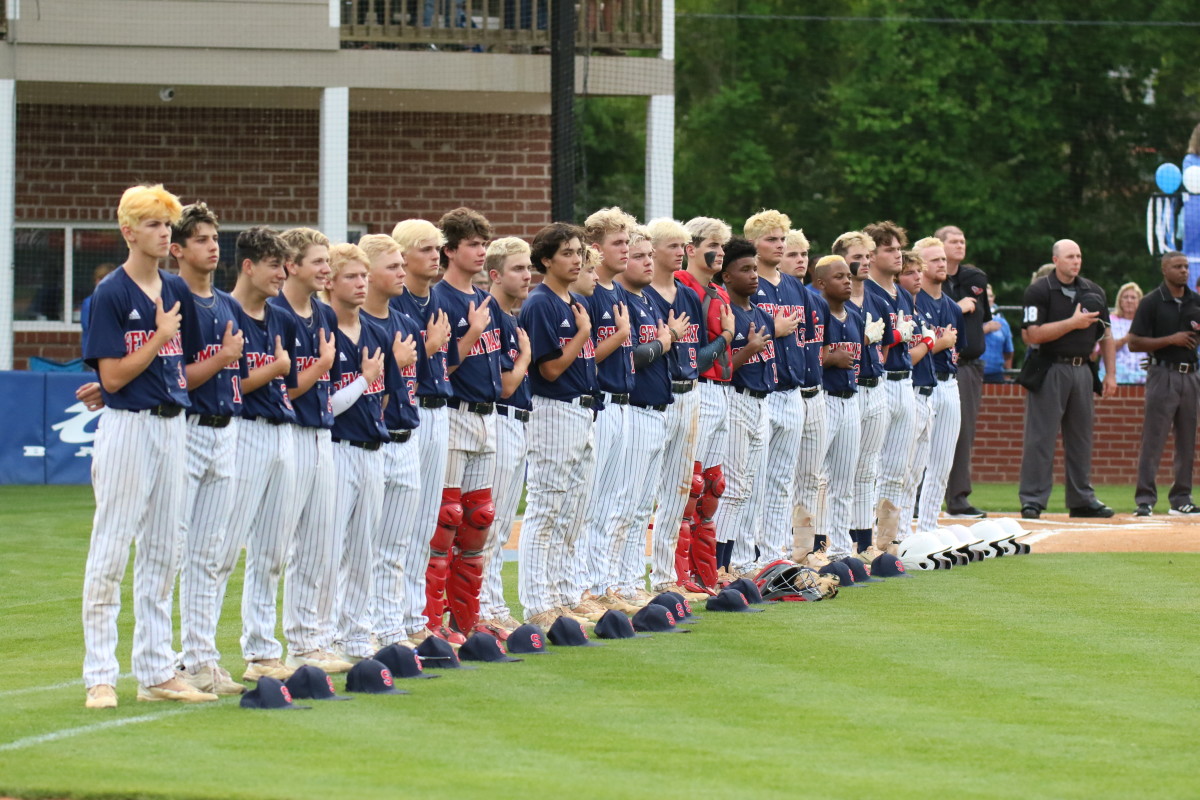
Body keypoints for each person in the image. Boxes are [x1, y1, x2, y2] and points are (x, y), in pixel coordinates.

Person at [81, 184, 210, 709]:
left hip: (173, 426)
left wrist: (147, 360)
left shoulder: (175, 289)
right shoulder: (111, 292)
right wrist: (155, 339)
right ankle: (99, 675)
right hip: (130, 427)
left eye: (167, 224)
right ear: (128, 231)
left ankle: (156, 671)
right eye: (153, 224)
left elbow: (180, 366)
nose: (163, 233)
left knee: (163, 551)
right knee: (112, 548)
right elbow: (113, 377)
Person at [170, 203, 249, 697]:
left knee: (210, 553)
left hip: (226, 430)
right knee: (172, 549)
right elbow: (172, 375)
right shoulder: (172, 297)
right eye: (200, 239)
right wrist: (221, 357)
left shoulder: (225, 303)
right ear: (177, 249)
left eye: (215, 237)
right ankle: (165, 663)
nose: (213, 246)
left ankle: (201, 660)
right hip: (188, 427)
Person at [217, 227, 301, 682]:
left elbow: (290, 382)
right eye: (273, 265)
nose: (282, 274)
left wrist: (279, 372)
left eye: (284, 265)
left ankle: (263, 650)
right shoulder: (222, 311)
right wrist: (274, 369)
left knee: (272, 552)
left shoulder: (281, 318)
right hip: (242, 430)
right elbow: (225, 382)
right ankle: (198, 654)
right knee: (222, 550)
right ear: (248, 266)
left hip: (282, 432)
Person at [271, 227, 346, 673]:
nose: (325, 269)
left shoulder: (324, 314)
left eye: (326, 261)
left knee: (320, 545)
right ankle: (268, 647)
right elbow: (281, 388)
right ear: (291, 265)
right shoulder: (276, 313)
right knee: (279, 548)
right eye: (317, 261)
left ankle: (310, 642)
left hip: (322, 433)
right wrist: (320, 366)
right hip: (289, 433)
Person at [517, 223, 598, 629]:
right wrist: (583, 333)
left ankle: (564, 594)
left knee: (573, 510)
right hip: (553, 408)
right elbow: (548, 369)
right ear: (546, 260)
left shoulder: (574, 300)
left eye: (579, 251)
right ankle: (538, 602)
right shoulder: (540, 303)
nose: (576, 259)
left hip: (582, 409)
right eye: (566, 252)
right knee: (548, 507)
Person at [429, 207, 504, 640]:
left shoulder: (483, 298)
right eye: (472, 245)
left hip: (486, 415)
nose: (480, 252)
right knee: (446, 521)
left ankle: (467, 621)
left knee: (479, 520)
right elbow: (440, 367)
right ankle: (432, 623)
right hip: (454, 413)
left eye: (483, 244)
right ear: (450, 251)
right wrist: (472, 332)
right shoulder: (439, 298)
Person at [390, 218, 455, 645]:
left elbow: (452, 361)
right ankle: (392, 617)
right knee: (401, 521)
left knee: (428, 520)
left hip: (439, 409)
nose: (435, 256)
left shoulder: (437, 300)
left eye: (437, 248)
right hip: (408, 410)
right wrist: (428, 347)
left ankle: (416, 616)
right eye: (426, 249)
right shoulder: (395, 302)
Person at [1018, 239, 1116, 519]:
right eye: (1070, 256)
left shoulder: (1094, 291)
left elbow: (1106, 334)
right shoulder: (1039, 290)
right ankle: (1033, 499)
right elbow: (1031, 335)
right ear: (1056, 260)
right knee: (1041, 437)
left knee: (1081, 437)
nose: (1076, 261)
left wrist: (1111, 373)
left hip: (1083, 368)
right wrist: (1073, 323)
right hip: (1050, 366)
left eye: (1079, 256)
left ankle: (1082, 498)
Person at [359, 234, 425, 647]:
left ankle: (391, 629)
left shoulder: (405, 324)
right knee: (363, 546)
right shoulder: (354, 325)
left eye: (402, 264)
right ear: (367, 274)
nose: (402, 272)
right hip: (372, 441)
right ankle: (360, 631)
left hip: (407, 438)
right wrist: (393, 366)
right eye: (393, 266)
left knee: (397, 546)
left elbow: (413, 387)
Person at [575, 208, 636, 616]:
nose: (625, 249)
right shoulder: (591, 292)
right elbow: (586, 358)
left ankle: (603, 583)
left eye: (627, 241)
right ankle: (585, 587)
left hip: (623, 402)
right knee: (593, 504)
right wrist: (620, 335)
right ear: (596, 248)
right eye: (618, 242)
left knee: (614, 502)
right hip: (601, 403)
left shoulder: (617, 291)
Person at [642, 218, 704, 592]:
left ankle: (667, 576)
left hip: (689, 392)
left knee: (680, 490)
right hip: (657, 397)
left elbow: (698, 349)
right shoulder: (643, 294)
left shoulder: (689, 295)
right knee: (645, 490)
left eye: (683, 246)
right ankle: (632, 578)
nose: (680, 252)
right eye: (673, 246)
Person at [675, 216, 735, 593]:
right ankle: (679, 575)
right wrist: (727, 336)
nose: (720, 252)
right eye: (713, 245)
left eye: (722, 245)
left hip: (722, 390)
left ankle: (705, 574)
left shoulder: (718, 291)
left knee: (713, 486)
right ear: (691, 249)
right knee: (691, 486)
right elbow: (694, 357)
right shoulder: (684, 288)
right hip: (697, 387)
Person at [746, 210, 807, 568]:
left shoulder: (793, 285)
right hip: (763, 389)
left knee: (783, 479)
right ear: (753, 243)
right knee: (754, 478)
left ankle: (774, 554)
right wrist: (773, 327)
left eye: (782, 238)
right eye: (771, 238)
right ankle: (748, 556)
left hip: (792, 389)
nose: (779, 244)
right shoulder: (749, 281)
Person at [711, 237, 775, 576]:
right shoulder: (726, 312)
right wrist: (748, 349)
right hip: (735, 399)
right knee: (733, 487)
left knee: (749, 489)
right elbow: (720, 368)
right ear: (727, 276)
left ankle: (735, 561)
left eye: (755, 268)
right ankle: (719, 565)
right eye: (745, 269)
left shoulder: (760, 313)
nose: (753, 275)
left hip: (761, 402)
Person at [480, 237, 533, 634]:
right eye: (518, 268)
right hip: (498, 419)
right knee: (490, 524)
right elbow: (505, 384)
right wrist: (526, 358)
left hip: (517, 422)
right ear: (495, 274)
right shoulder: (490, 315)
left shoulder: (510, 317)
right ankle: (484, 607)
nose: (527, 275)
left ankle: (493, 604)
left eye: (528, 267)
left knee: (498, 527)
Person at [1128, 251, 1200, 516]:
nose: (1184, 271)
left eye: (1186, 267)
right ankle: (1145, 499)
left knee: (1187, 439)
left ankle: (1181, 498)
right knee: (1154, 438)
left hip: (1191, 375)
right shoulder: (1151, 302)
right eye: (1177, 267)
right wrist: (1171, 339)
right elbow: (1134, 342)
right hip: (1163, 373)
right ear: (1164, 270)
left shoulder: (1196, 301)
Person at [862, 221, 918, 553]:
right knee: (870, 468)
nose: (898, 254)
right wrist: (896, 336)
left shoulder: (903, 293)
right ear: (872, 254)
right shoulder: (867, 291)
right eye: (889, 249)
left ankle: (888, 540)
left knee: (898, 468)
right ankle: (864, 539)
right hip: (880, 381)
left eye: (899, 248)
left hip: (904, 380)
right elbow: (873, 340)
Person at [835, 229, 891, 558]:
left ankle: (864, 541)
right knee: (842, 468)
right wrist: (862, 340)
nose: (865, 262)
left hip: (874, 385)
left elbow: (885, 345)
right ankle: (835, 540)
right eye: (857, 257)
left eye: (868, 256)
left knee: (868, 468)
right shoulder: (832, 299)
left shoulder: (877, 300)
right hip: (847, 389)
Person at [935, 225, 991, 520]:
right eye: (953, 241)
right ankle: (917, 498)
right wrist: (958, 307)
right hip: (935, 363)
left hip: (968, 366)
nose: (960, 245)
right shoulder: (928, 279)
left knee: (963, 432)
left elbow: (982, 320)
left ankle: (958, 498)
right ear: (939, 245)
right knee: (927, 433)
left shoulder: (975, 279)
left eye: (962, 240)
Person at [911, 237, 965, 537]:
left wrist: (943, 345)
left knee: (942, 463)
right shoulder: (913, 302)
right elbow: (908, 353)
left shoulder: (952, 307)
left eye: (943, 258)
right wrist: (939, 343)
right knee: (911, 465)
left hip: (948, 383)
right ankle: (899, 530)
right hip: (919, 385)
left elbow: (960, 349)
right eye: (934, 260)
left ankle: (929, 528)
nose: (942, 264)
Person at [812, 255, 862, 561]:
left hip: (850, 399)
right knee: (816, 478)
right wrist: (831, 359)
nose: (847, 281)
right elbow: (806, 357)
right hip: (825, 399)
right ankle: (815, 547)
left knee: (845, 480)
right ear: (821, 283)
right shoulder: (816, 313)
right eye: (839, 277)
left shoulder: (854, 315)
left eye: (848, 276)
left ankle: (842, 550)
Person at [1104, 282, 1147, 385]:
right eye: (1125, 297)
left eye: (1133, 297)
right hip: (1116, 379)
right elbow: (1103, 348)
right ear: (1120, 301)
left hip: (1142, 377)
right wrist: (1126, 339)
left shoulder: (1147, 322)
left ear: (1139, 301)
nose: (1129, 300)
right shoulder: (1110, 321)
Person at [982, 284, 1013, 383]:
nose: (989, 299)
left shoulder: (1002, 323)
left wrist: (1007, 375)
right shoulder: (970, 318)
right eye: (986, 296)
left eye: (991, 296)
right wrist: (985, 329)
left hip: (996, 374)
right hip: (974, 373)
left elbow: (1009, 352)